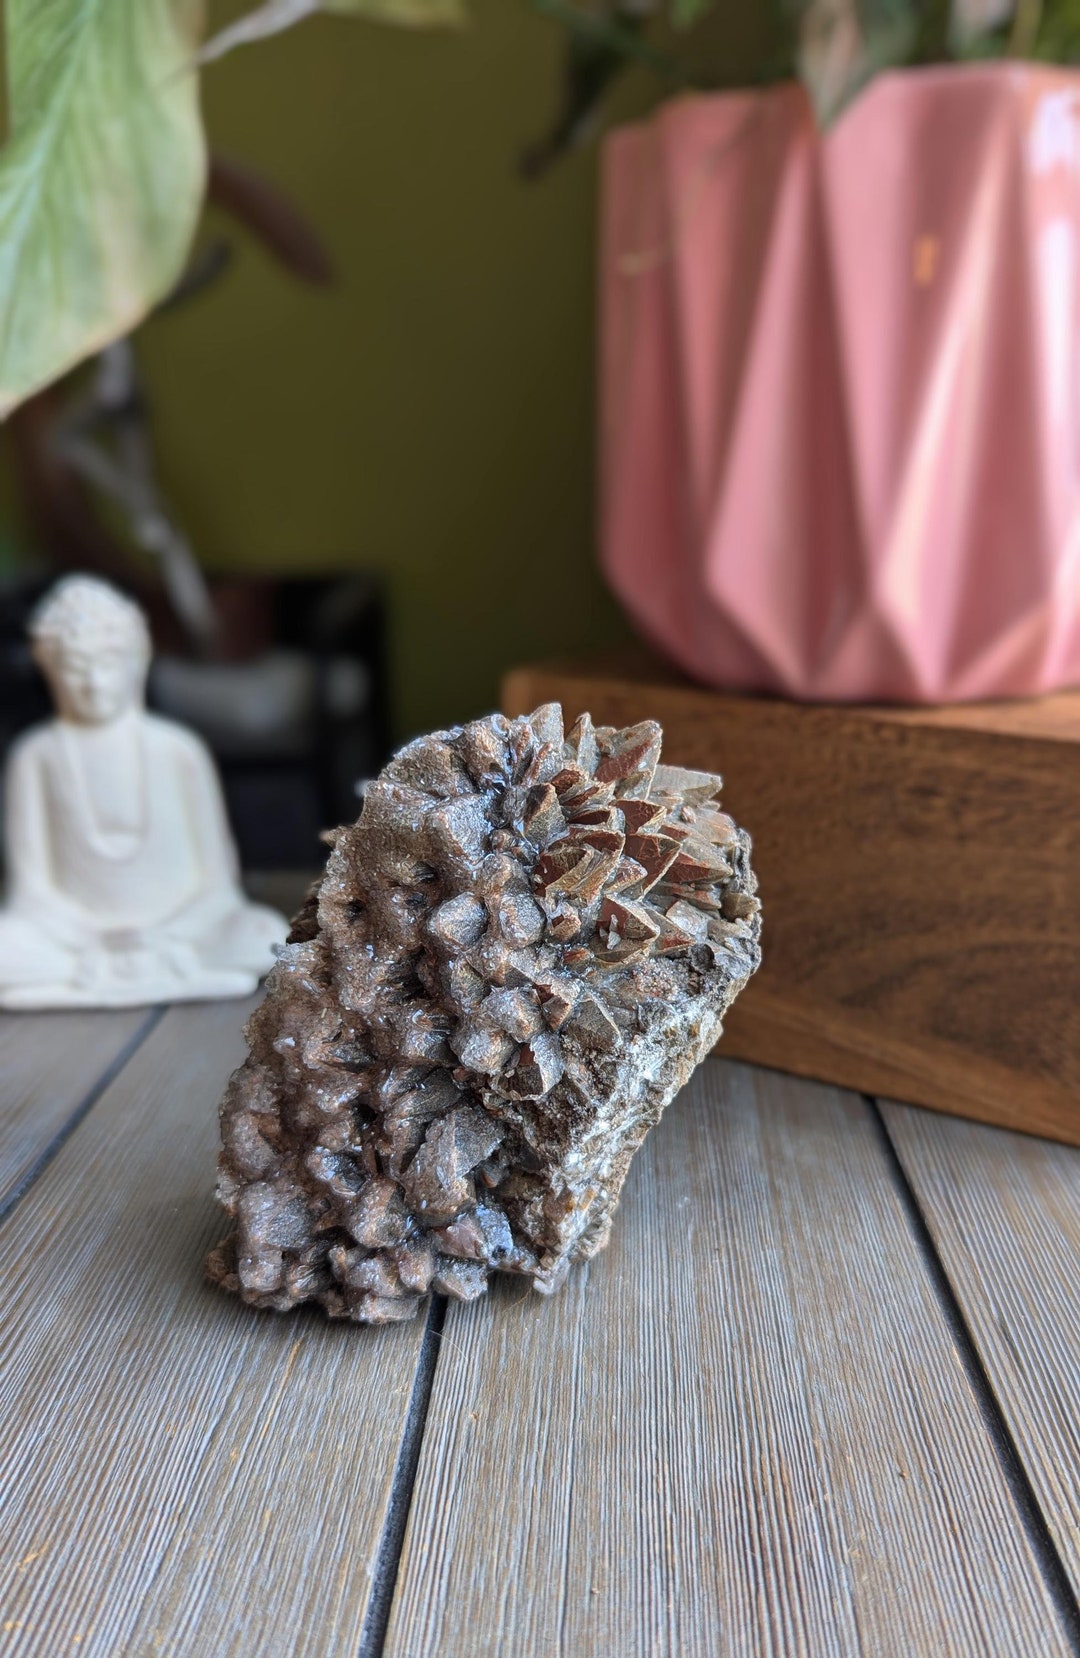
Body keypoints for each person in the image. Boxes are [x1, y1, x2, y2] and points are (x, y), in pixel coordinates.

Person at [0, 576, 288, 1009]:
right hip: (73, 939)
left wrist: (165, 932)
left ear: (138, 660)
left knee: (263, 936)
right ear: (49, 668)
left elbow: (215, 880)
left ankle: (114, 975)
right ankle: (171, 973)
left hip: (181, 930)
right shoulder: (36, 756)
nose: (94, 683)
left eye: (108, 663)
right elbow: (31, 889)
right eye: (76, 667)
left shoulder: (177, 750)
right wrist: (93, 937)